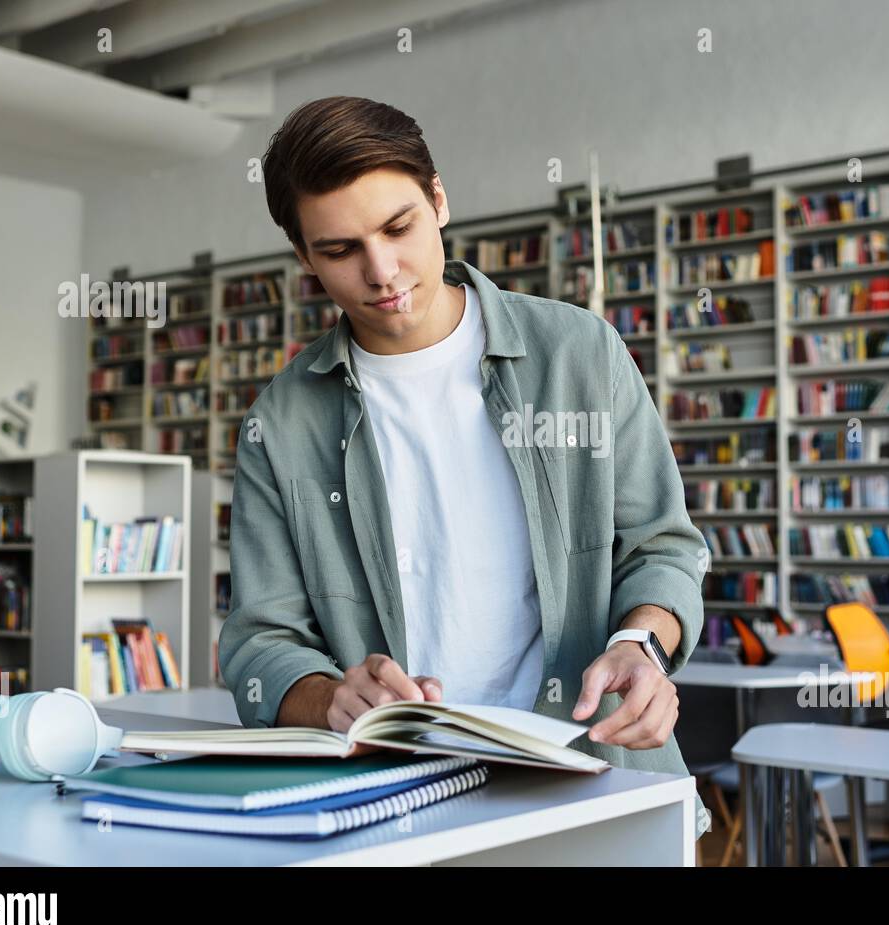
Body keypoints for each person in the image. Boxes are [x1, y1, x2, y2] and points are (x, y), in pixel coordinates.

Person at [219, 95, 706, 777]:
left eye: (398, 227)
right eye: (340, 249)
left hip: (597, 772)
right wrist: (328, 698)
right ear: (304, 256)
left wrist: (641, 645)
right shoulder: (282, 420)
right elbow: (258, 642)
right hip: (396, 789)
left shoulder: (579, 355)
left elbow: (663, 545)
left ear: (439, 200)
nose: (381, 271)